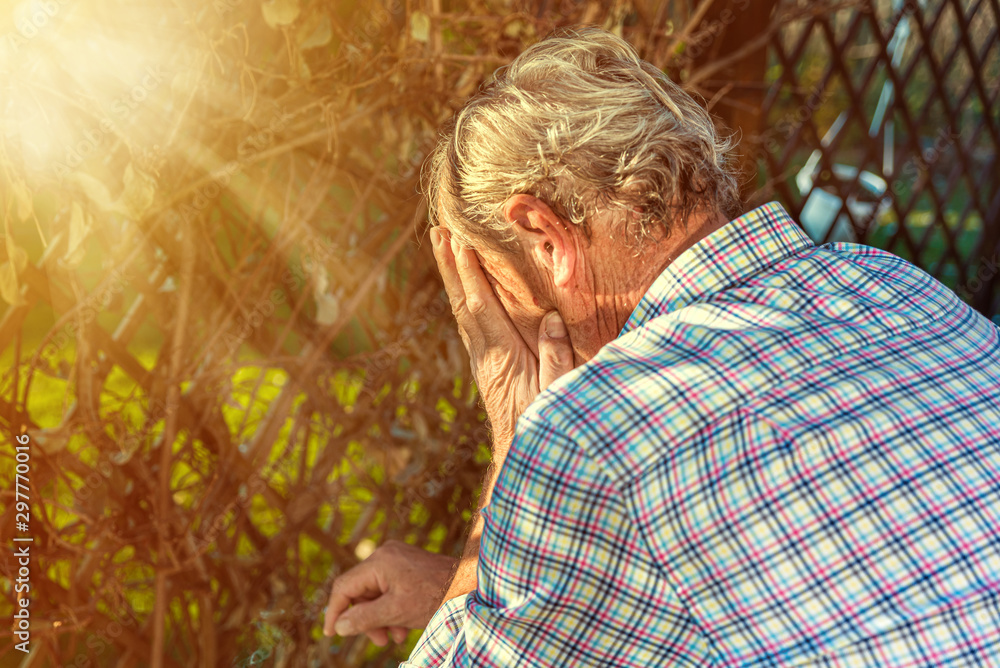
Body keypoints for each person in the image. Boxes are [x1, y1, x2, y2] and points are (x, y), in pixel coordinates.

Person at [323, 26, 1000, 666]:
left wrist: (514, 440)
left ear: (544, 237)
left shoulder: (590, 429)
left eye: (491, 292)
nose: (498, 323)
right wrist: (464, 579)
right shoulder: (889, 283)